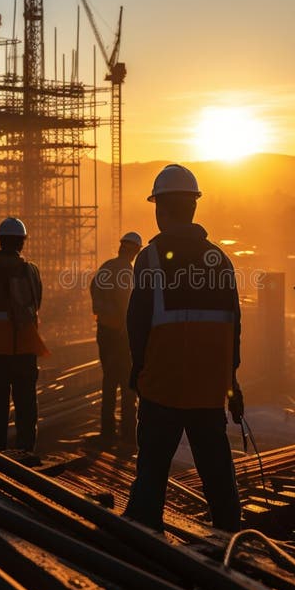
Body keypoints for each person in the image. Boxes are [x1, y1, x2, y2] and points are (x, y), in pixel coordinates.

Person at [123, 164, 243, 533]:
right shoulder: (219, 260)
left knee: (152, 471)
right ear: (193, 207)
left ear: (160, 209)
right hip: (209, 388)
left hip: (163, 384)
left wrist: (137, 369)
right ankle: (232, 539)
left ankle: (144, 544)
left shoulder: (151, 258)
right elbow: (234, 326)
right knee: (217, 472)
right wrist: (231, 381)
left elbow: (137, 323)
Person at [0, 217, 48, 454]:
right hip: (25, 348)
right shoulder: (31, 271)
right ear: (22, 243)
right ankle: (26, 453)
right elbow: (37, 303)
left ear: (0, 241)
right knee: (26, 407)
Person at [90, 230, 143, 450]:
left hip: (105, 332)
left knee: (109, 381)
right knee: (128, 385)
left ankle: (107, 432)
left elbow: (94, 290)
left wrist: (103, 315)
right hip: (122, 336)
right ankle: (128, 435)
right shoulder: (128, 272)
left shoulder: (106, 268)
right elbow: (127, 303)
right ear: (135, 251)